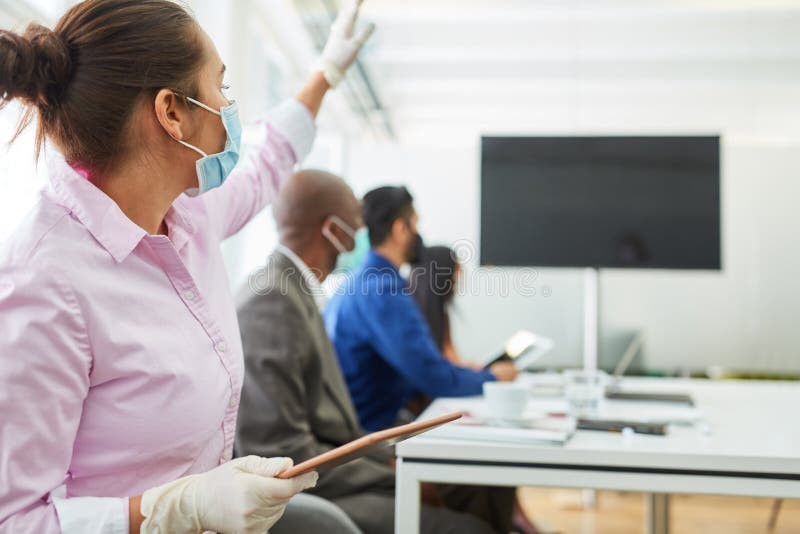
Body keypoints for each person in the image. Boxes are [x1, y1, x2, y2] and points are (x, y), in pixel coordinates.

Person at [0, 0, 373, 532]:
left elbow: (268, 162)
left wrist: (326, 74)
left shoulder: (188, 212)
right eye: (221, 88)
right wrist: (170, 509)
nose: (229, 108)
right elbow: (13, 520)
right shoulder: (42, 284)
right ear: (172, 111)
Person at [236, 169, 508, 534]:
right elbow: (281, 453)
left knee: (478, 485)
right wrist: (392, 474)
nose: (361, 238)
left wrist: (390, 466)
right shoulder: (273, 300)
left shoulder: (296, 289)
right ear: (333, 230)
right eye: (355, 226)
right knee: (470, 527)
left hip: (345, 457)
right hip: (317, 491)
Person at [324, 186, 519, 433]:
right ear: (400, 229)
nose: (419, 236)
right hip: (369, 432)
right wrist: (493, 379)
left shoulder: (361, 280)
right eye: (415, 224)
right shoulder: (382, 290)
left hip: (361, 421)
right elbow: (431, 375)